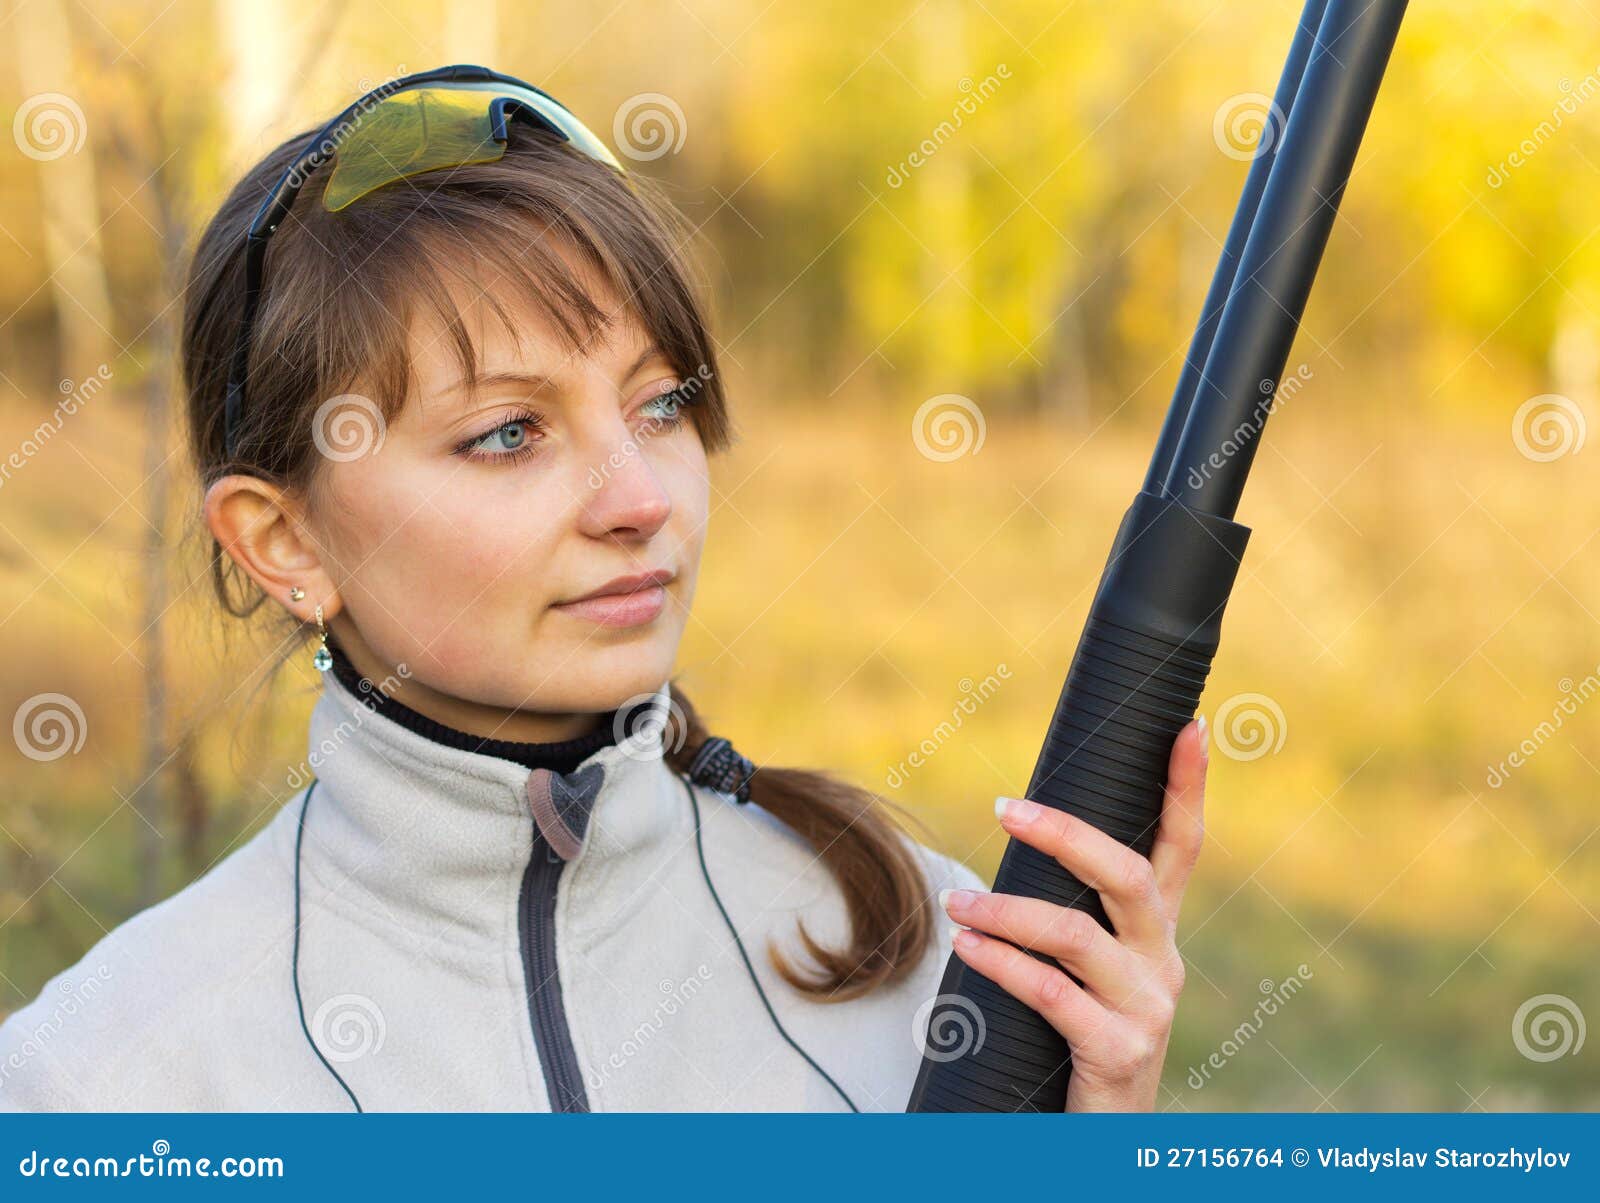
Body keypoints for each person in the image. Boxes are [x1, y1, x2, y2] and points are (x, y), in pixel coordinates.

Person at [0, 69, 1208, 1113]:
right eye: (509, 432)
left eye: (662, 403)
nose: (640, 499)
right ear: (282, 542)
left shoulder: (931, 954)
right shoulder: (102, 1079)